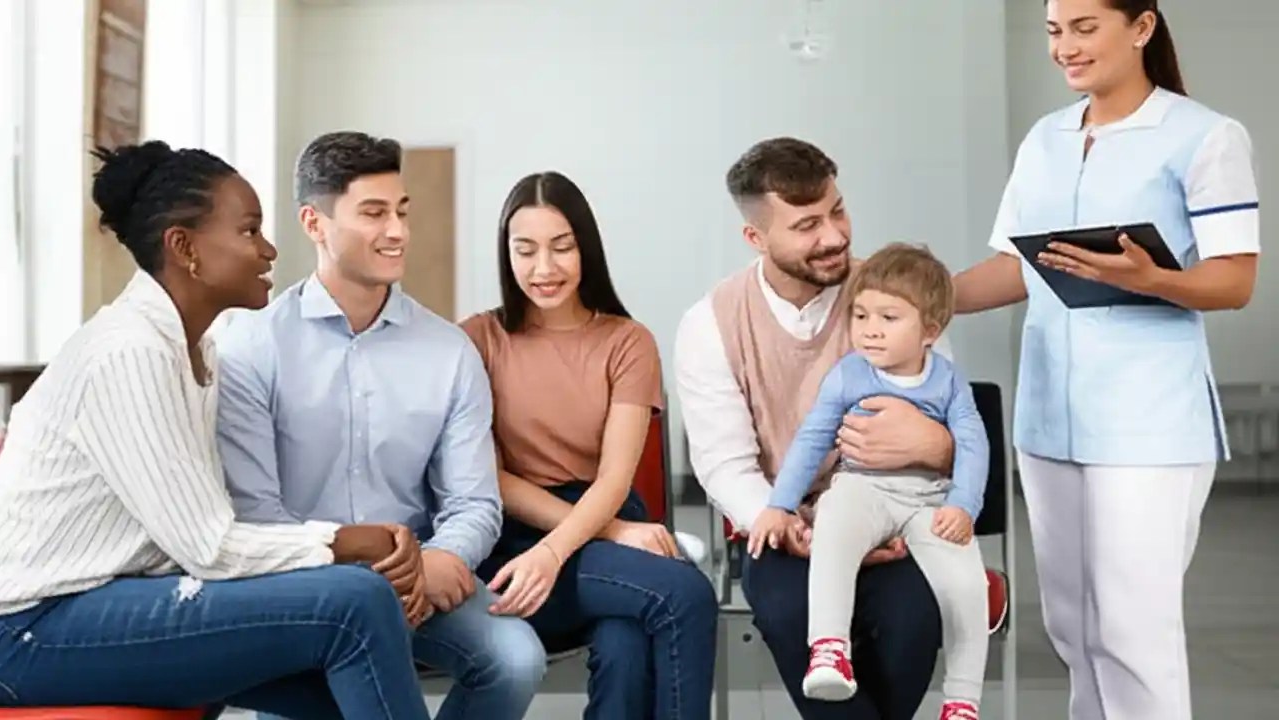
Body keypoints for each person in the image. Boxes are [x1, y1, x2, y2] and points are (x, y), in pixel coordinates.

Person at [0, 141, 431, 719]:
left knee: (336, 668)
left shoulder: (195, 349)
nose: (270, 250)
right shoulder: (128, 353)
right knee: (357, 601)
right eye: (250, 231)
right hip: (32, 631)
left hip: (107, 600)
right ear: (185, 248)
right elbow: (209, 545)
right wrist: (345, 541)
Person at [951, 2, 1260, 719]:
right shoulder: (1045, 139)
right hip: (1051, 416)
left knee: (1130, 630)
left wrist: (1149, 279)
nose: (1065, 47)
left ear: (1142, 27)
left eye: (1085, 28)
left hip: (1149, 423)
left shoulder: (1205, 136)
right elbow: (1017, 266)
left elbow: (1234, 280)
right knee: (1073, 628)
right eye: (1055, 31)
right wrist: (915, 295)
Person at [214, 132, 547, 720]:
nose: (397, 231)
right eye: (373, 213)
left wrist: (443, 560)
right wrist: (354, 586)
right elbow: (257, 513)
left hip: (417, 581)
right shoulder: (251, 345)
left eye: (401, 211)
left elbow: (474, 500)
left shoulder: (449, 351)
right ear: (314, 223)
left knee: (515, 658)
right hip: (304, 585)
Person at [677, 137, 972, 720]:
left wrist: (936, 446)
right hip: (784, 524)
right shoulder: (711, 323)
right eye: (807, 224)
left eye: (837, 210)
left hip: (900, 515)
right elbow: (725, 464)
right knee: (793, 615)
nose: (834, 235)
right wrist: (786, 523)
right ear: (756, 239)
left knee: (915, 617)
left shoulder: (897, 297)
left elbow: (953, 420)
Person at [463, 171, 718, 720]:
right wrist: (575, 544)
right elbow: (490, 476)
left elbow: (613, 479)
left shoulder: (628, 341)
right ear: (505, 254)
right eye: (524, 250)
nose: (544, 269)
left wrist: (593, 536)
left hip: (601, 516)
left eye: (562, 247)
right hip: (515, 536)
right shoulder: (477, 339)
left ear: (587, 248)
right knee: (686, 596)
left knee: (626, 650)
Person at [750, 243, 989, 719]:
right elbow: (814, 438)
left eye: (888, 317)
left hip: (929, 500)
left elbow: (974, 445)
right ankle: (829, 649)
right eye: (860, 315)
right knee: (834, 526)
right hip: (865, 489)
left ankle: (963, 700)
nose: (870, 329)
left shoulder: (948, 382)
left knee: (966, 586)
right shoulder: (850, 374)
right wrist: (780, 503)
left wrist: (963, 505)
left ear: (930, 331)